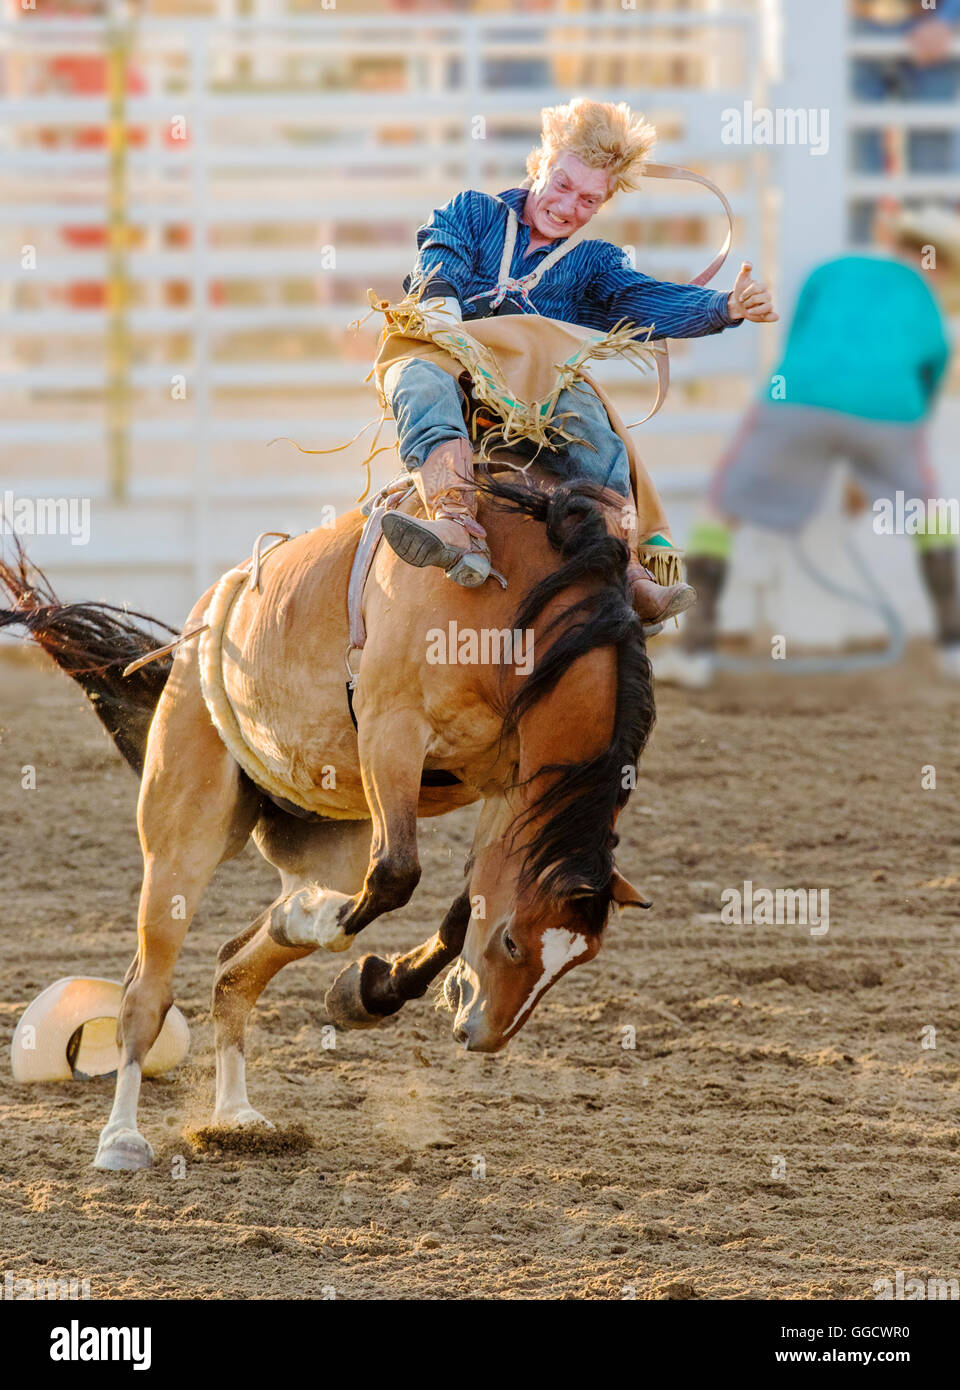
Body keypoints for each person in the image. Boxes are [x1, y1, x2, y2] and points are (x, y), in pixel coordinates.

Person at [379, 97, 778, 623]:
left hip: (534, 394)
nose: (568, 207)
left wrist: (724, 305)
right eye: (563, 184)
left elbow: (642, 298)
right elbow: (440, 256)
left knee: (588, 415)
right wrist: (445, 312)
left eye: (590, 200)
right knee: (418, 377)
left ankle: (628, 568)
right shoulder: (473, 212)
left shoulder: (593, 262)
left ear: (604, 203)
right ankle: (455, 522)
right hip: (451, 366)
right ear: (541, 164)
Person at [658, 227, 960, 687]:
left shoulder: (832, 271)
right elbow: (932, 366)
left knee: (720, 508)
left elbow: (798, 343)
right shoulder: (923, 291)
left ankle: (696, 655)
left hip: (799, 397)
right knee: (930, 515)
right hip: (892, 410)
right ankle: (954, 648)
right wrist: (869, 467)